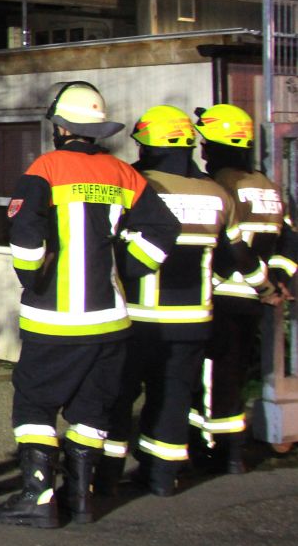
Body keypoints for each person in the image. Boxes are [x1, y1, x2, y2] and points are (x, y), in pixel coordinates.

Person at [0, 82, 178, 528]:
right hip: (110, 320)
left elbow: (25, 235)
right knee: (93, 409)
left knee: (34, 406)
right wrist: (123, 270)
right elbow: (164, 229)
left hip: (54, 320)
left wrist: (36, 279)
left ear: (59, 126)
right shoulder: (123, 174)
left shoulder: (46, 168)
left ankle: (37, 498)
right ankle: (81, 499)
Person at [104, 106, 243, 496]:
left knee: (119, 398)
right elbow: (232, 260)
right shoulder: (217, 194)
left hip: (138, 320)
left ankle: (107, 477)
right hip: (194, 322)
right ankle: (163, 477)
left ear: (147, 144)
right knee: (173, 398)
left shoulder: (139, 187)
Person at [193, 103, 298, 473]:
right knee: (232, 375)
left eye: (207, 144)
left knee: (210, 378)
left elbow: (227, 245)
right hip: (254, 300)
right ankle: (231, 450)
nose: (202, 151)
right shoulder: (266, 186)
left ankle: (218, 451)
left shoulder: (222, 185)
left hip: (221, 295)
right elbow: (290, 240)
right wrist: (277, 281)